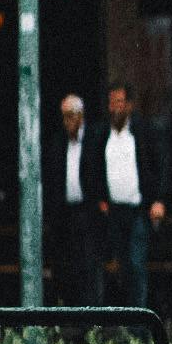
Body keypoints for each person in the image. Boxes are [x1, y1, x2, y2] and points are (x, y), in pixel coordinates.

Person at [84, 82, 167, 308]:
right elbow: (92, 169)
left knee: (136, 261)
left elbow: (158, 165)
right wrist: (101, 198)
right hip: (114, 210)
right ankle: (127, 315)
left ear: (129, 105)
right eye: (112, 103)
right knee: (121, 265)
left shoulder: (142, 131)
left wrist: (158, 199)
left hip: (138, 208)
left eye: (119, 102)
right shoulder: (103, 135)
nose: (115, 108)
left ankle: (139, 323)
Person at [44, 92, 101, 305]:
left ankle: (91, 320)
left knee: (88, 266)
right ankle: (70, 321)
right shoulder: (58, 143)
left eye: (70, 115)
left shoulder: (94, 140)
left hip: (87, 212)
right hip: (64, 214)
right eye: (64, 116)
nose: (67, 121)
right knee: (66, 267)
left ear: (81, 116)